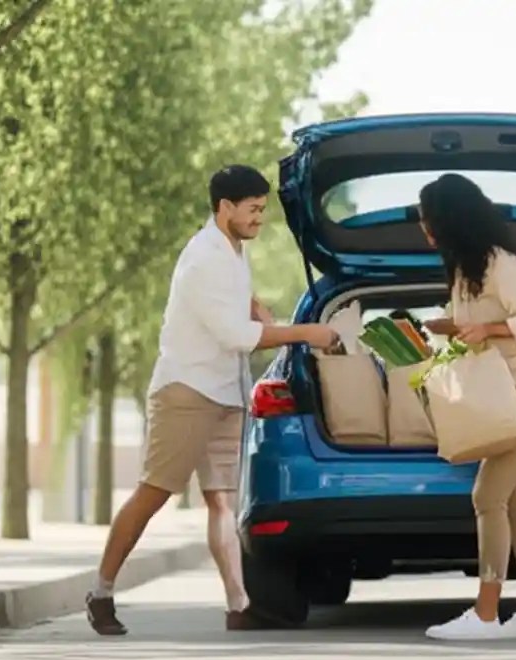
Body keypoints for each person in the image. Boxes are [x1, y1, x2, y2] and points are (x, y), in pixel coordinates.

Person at [85, 165, 338, 635]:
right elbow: (234, 335)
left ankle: (238, 604)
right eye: (254, 210)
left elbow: (235, 306)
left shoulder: (234, 249)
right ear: (225, 208)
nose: (261, 218)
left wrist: (259, 307)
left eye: (263, 209)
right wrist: (307, 333)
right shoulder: (202, 258)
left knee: (222, 500)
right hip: (188, 390)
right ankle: (100, 592)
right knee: (154, 492)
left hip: (226, 391)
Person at [417, 173, 516, 641]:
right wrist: (448, 325)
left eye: (429, 221)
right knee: (511, 499)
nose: (425, 231)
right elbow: (481, 321)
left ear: (452, 219)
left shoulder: (500, 264)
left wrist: (488, 332)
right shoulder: (466, 269)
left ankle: (487, 615)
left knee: (487, 496)